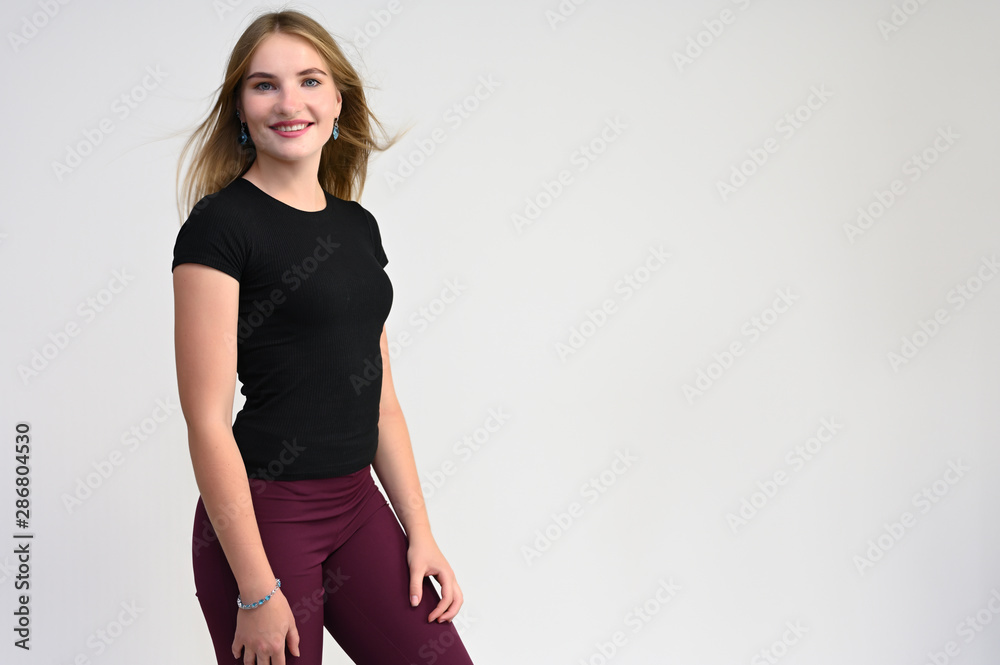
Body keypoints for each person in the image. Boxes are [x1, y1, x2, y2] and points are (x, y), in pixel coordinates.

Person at [171, 10, 475, 665]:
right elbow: (205, 421)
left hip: (358, 506)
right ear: (240, 109)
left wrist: (420, 530)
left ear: (337, 99)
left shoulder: (357, 227)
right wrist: (255, 590)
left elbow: (383, 399)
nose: (289, 102)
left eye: (309, 80)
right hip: (263, 517)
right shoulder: (219, 228)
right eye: (264, 85)